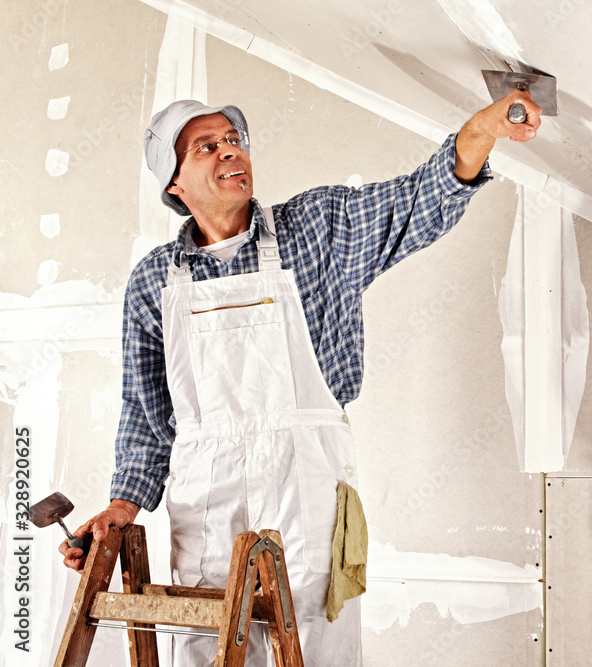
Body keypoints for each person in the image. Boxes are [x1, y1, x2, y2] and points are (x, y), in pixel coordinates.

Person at [59, 90, 541, 665]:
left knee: (313, 642)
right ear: (174, 183)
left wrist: (485, 128)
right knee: (213, 645)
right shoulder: (154, 282)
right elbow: (145, 411)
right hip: (205, 495)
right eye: (207, 146)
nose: (230, 153)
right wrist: (122, 506)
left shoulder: (316, 229)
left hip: (306, 481)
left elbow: (419, 200)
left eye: (234, 140)